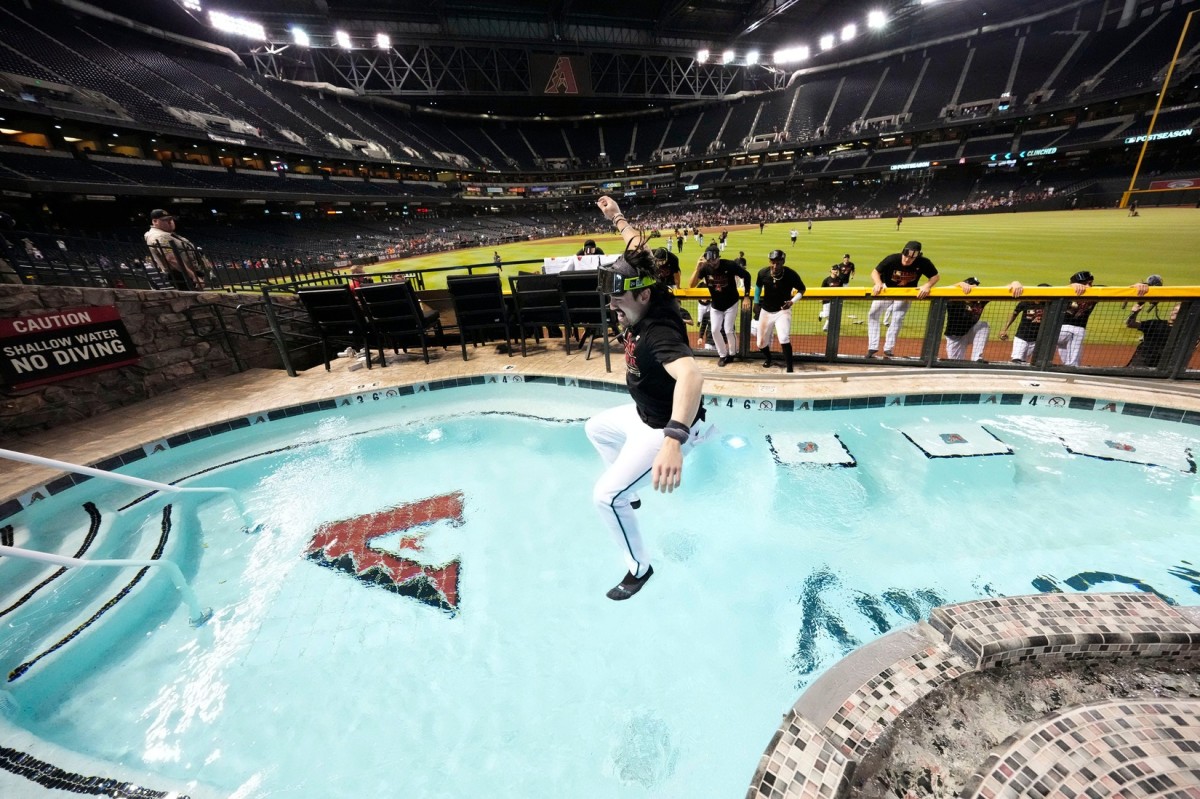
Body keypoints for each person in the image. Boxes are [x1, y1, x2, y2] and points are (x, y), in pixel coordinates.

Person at [587, 195, 705, 600]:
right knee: (596, 429)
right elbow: (640, 250)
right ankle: (632, 496)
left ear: (642, 296)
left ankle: (639, 568)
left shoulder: (659, 333)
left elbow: (691, 374)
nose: (611, 306)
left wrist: (674, 440)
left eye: (618, 298)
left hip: (664, 426)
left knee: (605, 496)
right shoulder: (650, 286)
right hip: (643, 413)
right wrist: (617, 217)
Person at [867, 240, 939, 358]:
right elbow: (875, 272)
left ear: (917, 256)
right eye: (906, 256)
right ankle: (873, 346)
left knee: (898, 318)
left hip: (907, 292)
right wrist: (878, 283)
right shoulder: (892, 259)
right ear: (903, 253)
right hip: (887, 289)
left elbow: (935, 276)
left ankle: (888, 348)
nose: (907, 260)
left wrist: (927, 285)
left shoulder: (924, 262)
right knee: (873, 314)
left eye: (911, 258)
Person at [689, 243, 753, 367]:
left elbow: (747, 275)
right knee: (714, 330)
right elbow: (691, 285)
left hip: (731, 303)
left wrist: (746, 296)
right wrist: (697, 268)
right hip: (716, 304)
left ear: (718, 257)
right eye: (710, 261)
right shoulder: (705, 268)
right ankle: (723, 355)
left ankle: (733, 353)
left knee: (729, 330)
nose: (712, 263)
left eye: (714, 260)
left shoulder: (729, 265)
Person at [943, 278, 1024, 362]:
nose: (975, 288)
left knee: (983, 325)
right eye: (972, 286)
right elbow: (943, 291)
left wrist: (1015, 283)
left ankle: (977, 358)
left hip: (970, 332)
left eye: (976, 286)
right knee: (956, 364)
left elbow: (1002, 289)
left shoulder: (980, 300)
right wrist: (959, 284)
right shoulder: (955, 299)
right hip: (955, 337)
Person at [754, 249, 807, 372]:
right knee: (760, 343)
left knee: (783, 338)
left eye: (778, 262)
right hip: (766, 311)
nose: (775, 265)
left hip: (782, 311)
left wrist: (792, 301)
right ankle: (769, 358)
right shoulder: (763, 273)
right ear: (769, 261)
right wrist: (756, 302)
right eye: (773, 262)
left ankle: (789, 368)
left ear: (783, 261)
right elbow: (758, 286)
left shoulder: (790, 274)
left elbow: (802, 290)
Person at [144, 209, 204, 291]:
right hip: (182, 275)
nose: (170, 222)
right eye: (165, 220)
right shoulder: (159, 236)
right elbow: (172, 259)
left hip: (186, 273)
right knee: (193, 300)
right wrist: (193, 276)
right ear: (155, 221)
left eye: (170, 219)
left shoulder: (167, 234)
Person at [999, 284, 1050, 363]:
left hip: (1036, 339)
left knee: (1024, 361)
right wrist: (1004, 329)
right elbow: (1014, 314)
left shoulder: (1049, 305)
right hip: (1021, 337)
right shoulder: (1026, 302)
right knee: (1016, 360)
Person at [819, 263, 845, 332]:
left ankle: (825, 327)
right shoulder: (826, 280)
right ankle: (821, 314)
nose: (836, 271)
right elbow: (821, 290)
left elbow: (841, 290)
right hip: (826, 300)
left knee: (832, 316)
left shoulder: (840, 280)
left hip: (835, 300)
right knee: (826, 315)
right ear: (832, 271)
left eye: (837, 270)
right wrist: (821, 298)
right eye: (835, 270)